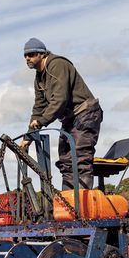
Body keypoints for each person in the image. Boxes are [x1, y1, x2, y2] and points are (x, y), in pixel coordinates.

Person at [24, 38, 103, 191]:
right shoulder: (39, 77)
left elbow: (60, 99)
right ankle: (68, 206)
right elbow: (39, 106)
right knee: (66, 162)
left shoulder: (57, 65)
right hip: (69, 119)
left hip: (85, 114)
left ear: (42, 54)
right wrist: (29, 136)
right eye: (25, 56)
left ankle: (81, 207)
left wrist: (41, 121)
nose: (28, 58)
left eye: (31, 54)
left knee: (80, 159)